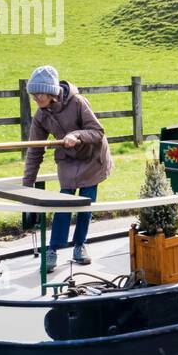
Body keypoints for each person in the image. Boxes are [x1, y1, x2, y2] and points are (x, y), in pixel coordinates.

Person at [21, 65, 113, 272]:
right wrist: (27, 184)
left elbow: (97, 131)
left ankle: (80, 245)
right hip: (68, 159)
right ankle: (53, 249)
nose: (35, 98)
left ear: (52, 91)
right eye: (32, 94)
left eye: (39, 93)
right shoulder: (41, 115)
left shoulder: (78, 102)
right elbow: (34, 151)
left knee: (84, 203)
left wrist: (77, 135)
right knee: (63, 202)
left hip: (92, 157)